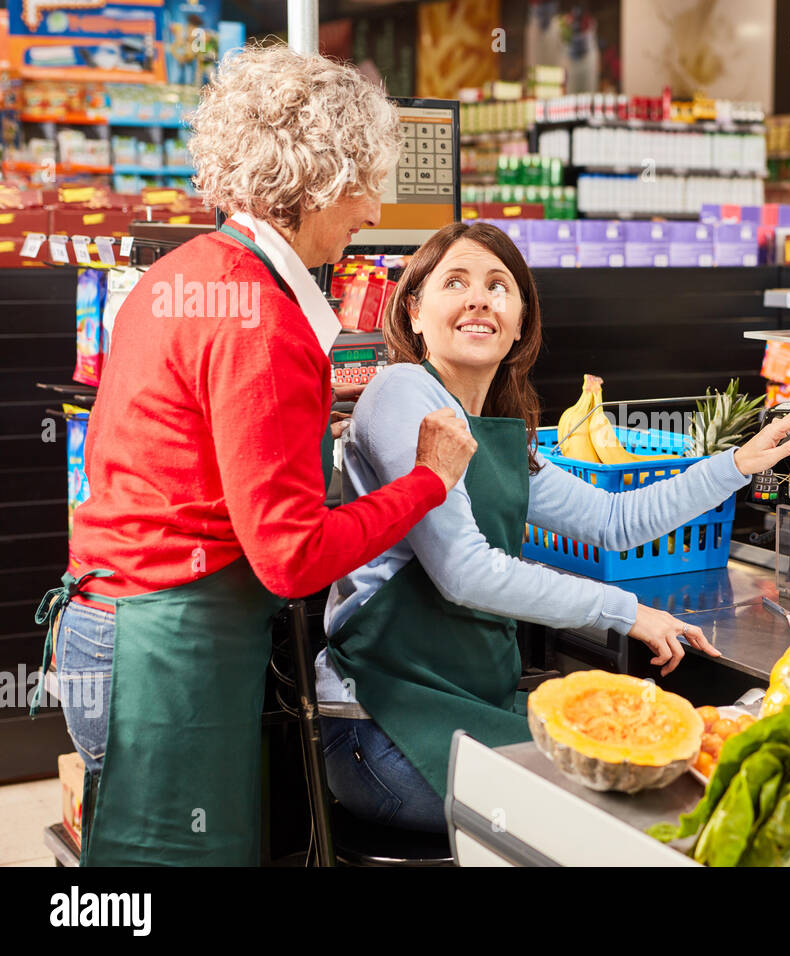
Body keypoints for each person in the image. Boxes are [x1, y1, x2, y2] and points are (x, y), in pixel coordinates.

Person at [33, 44, 476, 866]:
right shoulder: (259, 324)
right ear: (317, 180)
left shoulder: (185, 274)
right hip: (166, 651)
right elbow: (292, 559)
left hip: (111, 621)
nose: (372, 213)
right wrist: (425, 482)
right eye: (364, 184)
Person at [314, 221, 790, 832]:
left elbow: (612, 520)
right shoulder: (401, 392)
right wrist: (626, 610)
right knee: (619, 809)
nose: (480, 298)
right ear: (415, 312)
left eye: (499, 285)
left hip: (469, 705)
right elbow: (464, 572)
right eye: (456, 282)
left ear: (521, 321)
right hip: (384, 729)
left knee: (653, 766)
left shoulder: (499, 430)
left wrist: (739, 464)